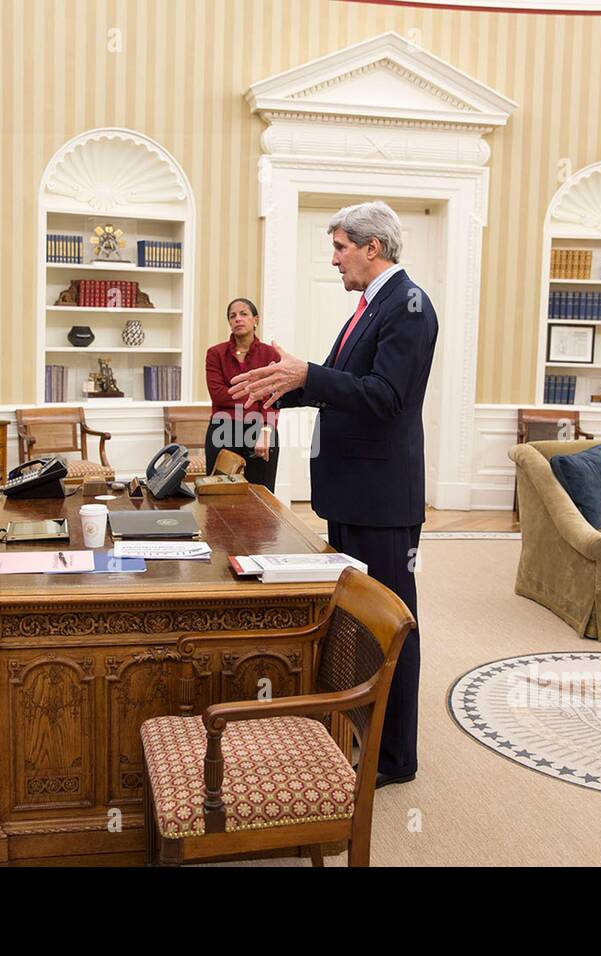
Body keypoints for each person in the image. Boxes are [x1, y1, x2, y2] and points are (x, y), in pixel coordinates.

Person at [228, 201, 437, 788]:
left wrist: (306, 375)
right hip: (350, 492)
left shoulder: (410, 306)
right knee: (353, 620)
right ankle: (356, 732)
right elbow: (344, 386)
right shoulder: (368, 308)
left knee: (391, 622)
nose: (335, 258)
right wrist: (281, 387)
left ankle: (394, 758)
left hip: (381, 497)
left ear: (374, 247)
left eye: (341, 246)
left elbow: (385, 395)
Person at [204, 297, 281, 490]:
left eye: (243, 314)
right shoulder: (215, 354)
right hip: (223, 428)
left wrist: (265, 430)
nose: (237, 318)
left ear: (256, 319)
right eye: (232, 316)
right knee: (218, 494)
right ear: (229, 322)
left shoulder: (271, 355)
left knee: (262, 495)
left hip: (262, 429)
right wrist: (257, 393)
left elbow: (274, 398)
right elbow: (218, 395)